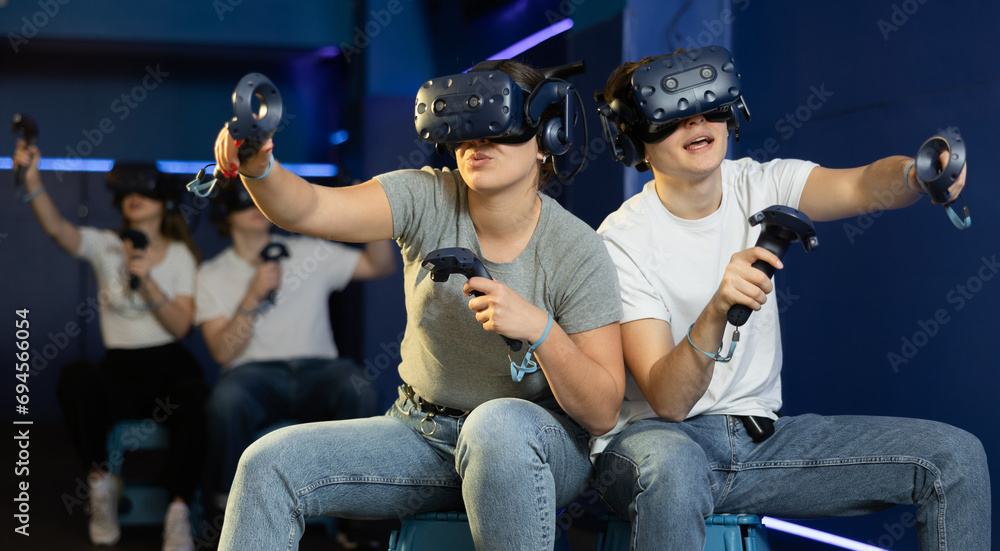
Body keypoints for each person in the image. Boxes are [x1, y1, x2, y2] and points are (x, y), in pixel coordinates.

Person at [208, 59, 625, 550]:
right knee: (267, 464)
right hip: (422, 434)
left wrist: (540, 330)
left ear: (548, 136)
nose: (477, 141)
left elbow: (601, 411)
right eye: (466, 128)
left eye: (498, 126)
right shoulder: (425, 196)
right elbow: (311, 208)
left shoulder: (577, 250)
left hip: (536, 444)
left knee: (497, 425)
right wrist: (259, 168)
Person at [592, 47, 991, 550]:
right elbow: (669, 402)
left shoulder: (762, 183)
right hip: (657, 445)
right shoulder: (620, 240)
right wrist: (715, 311)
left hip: (760, 443)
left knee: (954, 457)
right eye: (671, 115)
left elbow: (863, 185)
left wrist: (915, 174)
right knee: (675, 465)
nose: (697, 122)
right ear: (634, 141)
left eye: (708, 105)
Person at [13, 143, 208, 551]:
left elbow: (181, 325)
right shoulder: (104, 245)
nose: (134, 199)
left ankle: (178, 510)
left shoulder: (179, 256)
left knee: (197, 398)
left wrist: (149, 281)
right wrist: (32, 180)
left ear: (164, 201)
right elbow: (58, 229)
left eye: (145, 192)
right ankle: (101, 485)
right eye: (126, 193)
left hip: (169, 366)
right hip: (120, 369)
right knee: (76, 378)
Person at [195, 179, 394, 511]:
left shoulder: (308, 251)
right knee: (225, 401)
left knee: (358, 388)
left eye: (258, 199)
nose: (254, 207)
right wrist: (252, 296)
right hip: (253, 375)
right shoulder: (211, 274)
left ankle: (356, 511)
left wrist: (370, 208)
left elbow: (379, 266)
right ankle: (229, 505)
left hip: (320, 370)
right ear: (226, 214)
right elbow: (221, 352)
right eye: (243, 202)